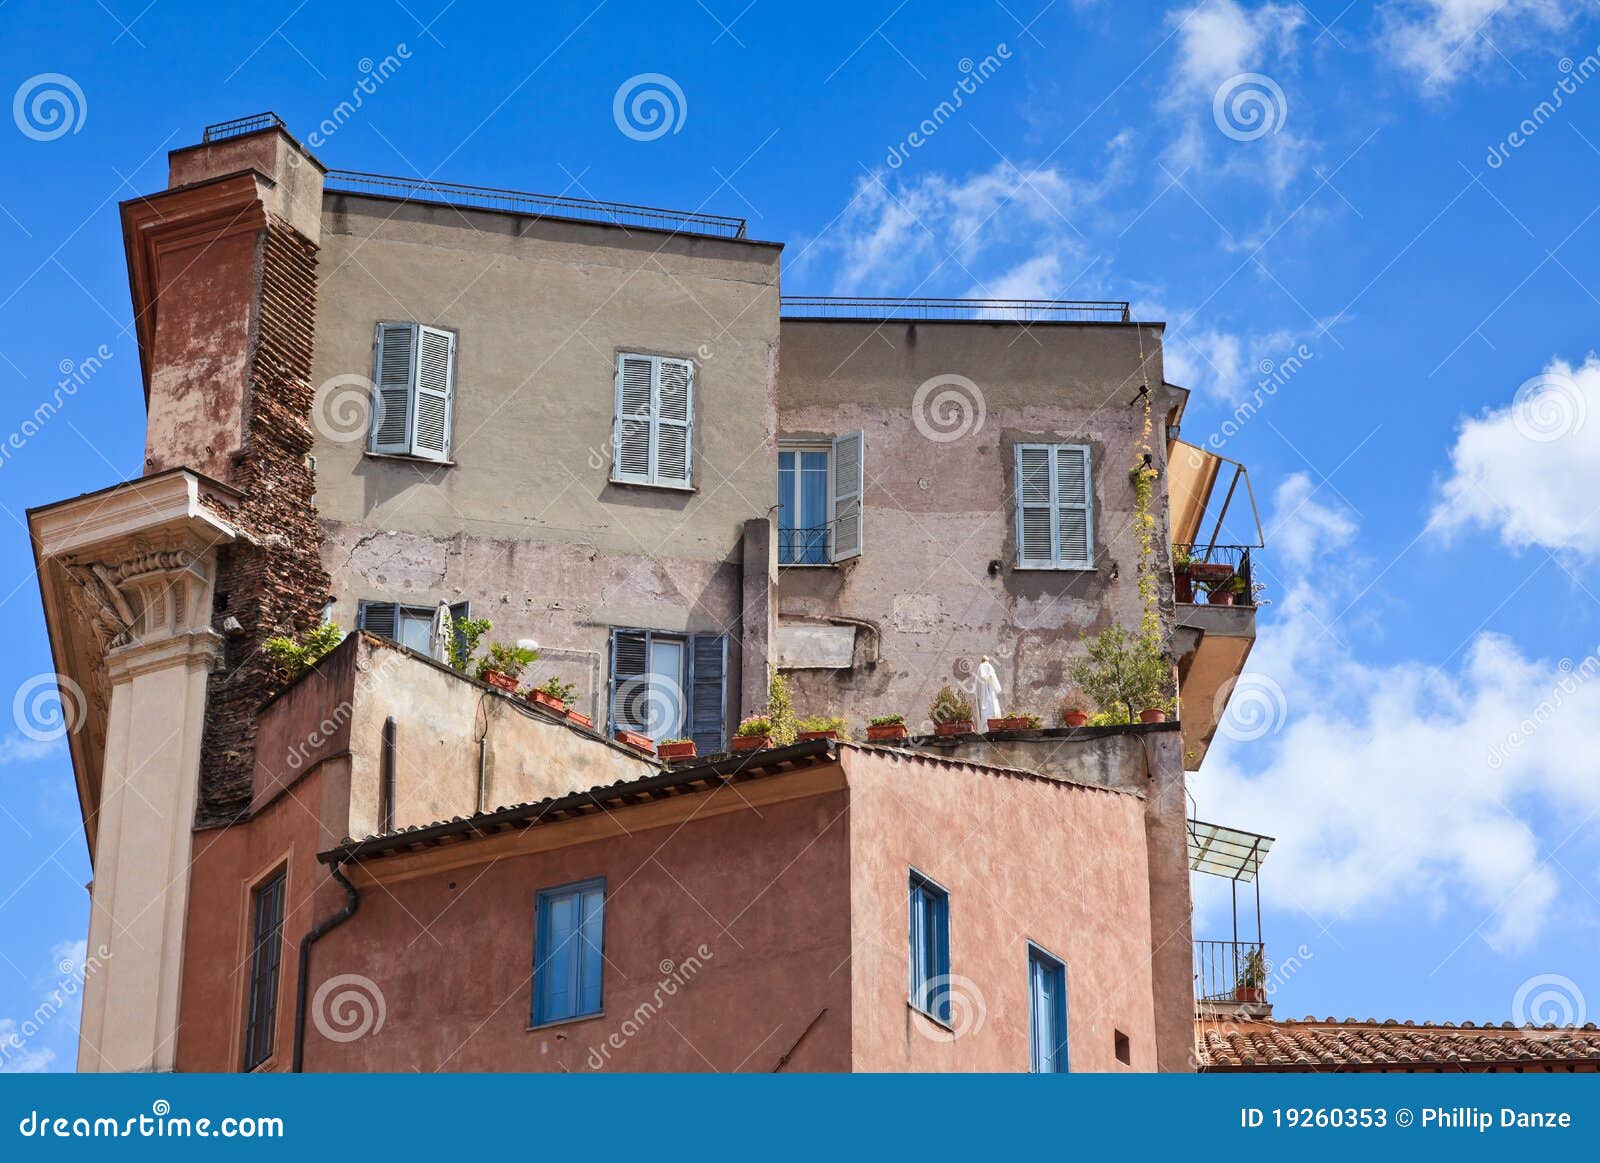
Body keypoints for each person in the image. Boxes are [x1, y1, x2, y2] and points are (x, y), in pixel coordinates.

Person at [976, 655, 1003, 724]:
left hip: (983, 691)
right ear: (987, 660)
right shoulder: (989, 666)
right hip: (990, 689)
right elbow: (993, 678)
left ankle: (986, 724)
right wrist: (997, 688)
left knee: (985, 707)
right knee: (992, 705)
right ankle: (994, 723)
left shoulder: (979, 668)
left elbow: (978, 683)